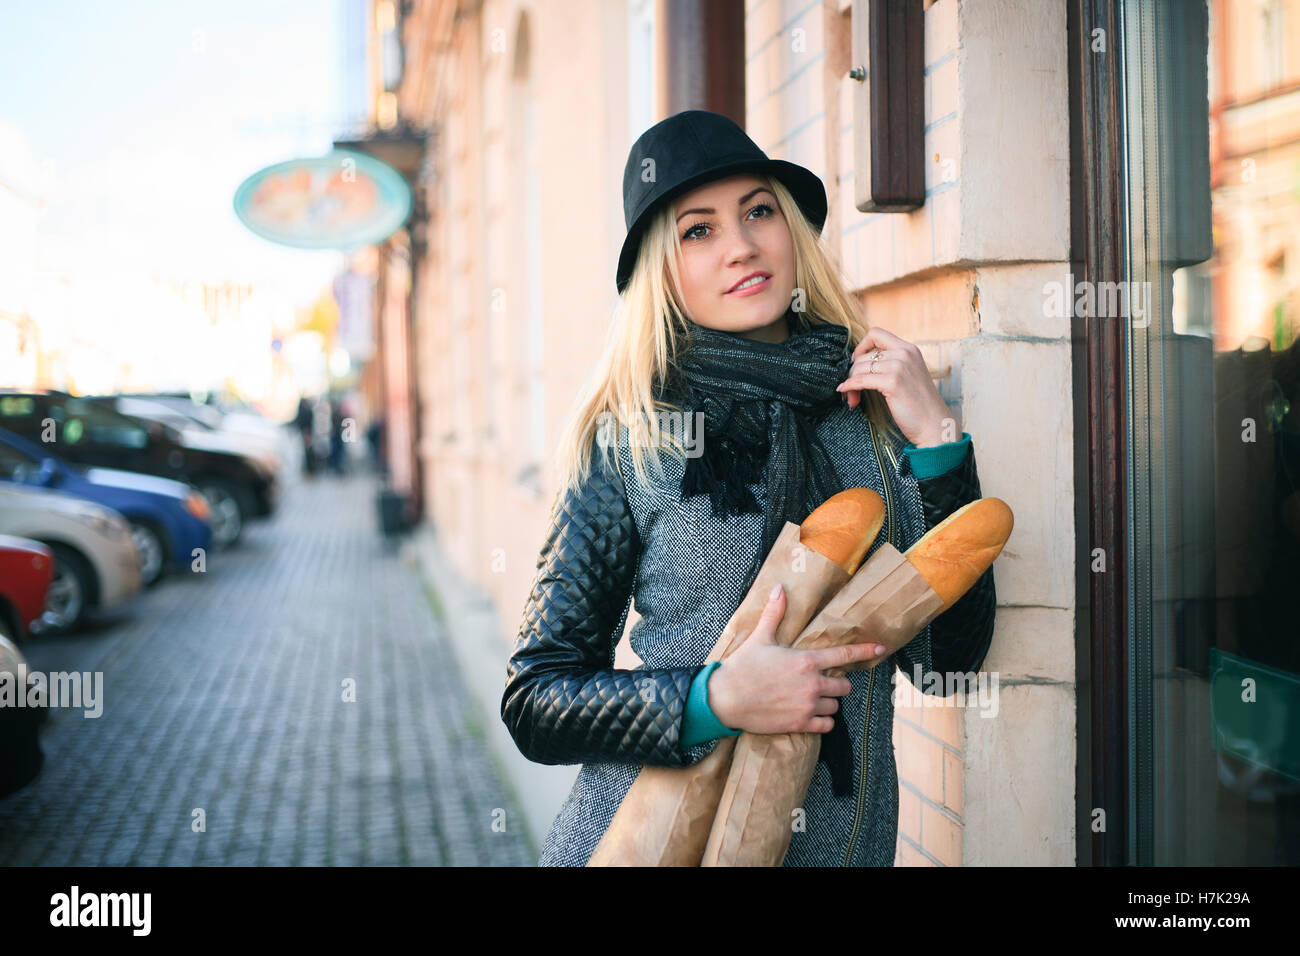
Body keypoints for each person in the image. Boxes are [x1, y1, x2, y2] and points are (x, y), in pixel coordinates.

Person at [501, 110, 997, 867]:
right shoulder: (634, 435)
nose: (740, 247)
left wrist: (935, 439)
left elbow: (945, 663)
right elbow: (537, 700)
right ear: (661, 273)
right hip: (653, 841)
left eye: (758, 211)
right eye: (697, 231)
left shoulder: (869, 417)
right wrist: (717, 698)